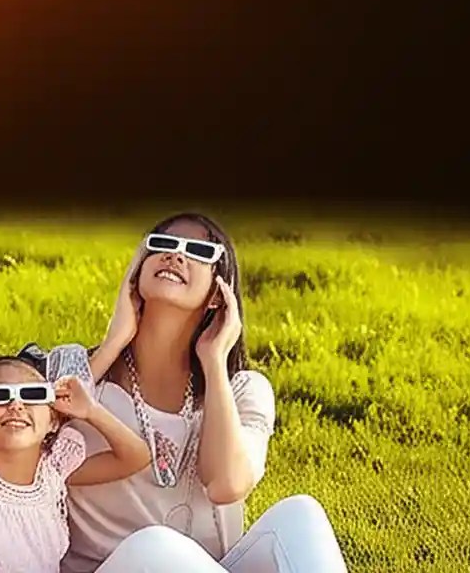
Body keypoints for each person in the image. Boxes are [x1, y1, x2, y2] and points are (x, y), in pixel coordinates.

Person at [62, 212, 347, 572]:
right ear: (137, 268)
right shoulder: (80, 374)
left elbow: (227, 484)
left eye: (198, 250)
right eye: (162, 244)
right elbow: (29, 450)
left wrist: (214, 362)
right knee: (156, 545)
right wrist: (113, 343)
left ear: (218, 293)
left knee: (301, 514)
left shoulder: (243, 390)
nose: (176, 255)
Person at [0, 343, 151, 573]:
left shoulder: (53, 472)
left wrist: (91, 410)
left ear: (53, 420)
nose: (16, 405)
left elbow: (136, 457)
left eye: (32, 394)